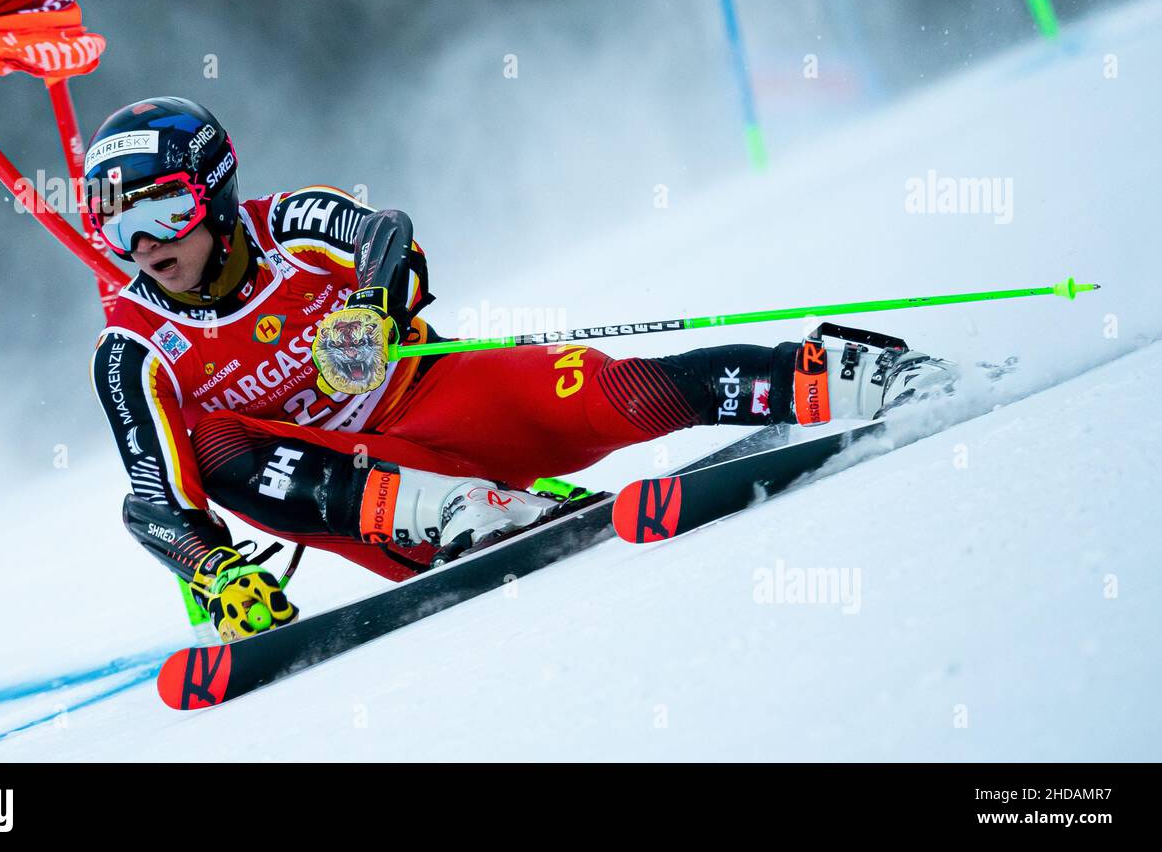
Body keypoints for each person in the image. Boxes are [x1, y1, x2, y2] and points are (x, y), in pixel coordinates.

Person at [87, 96, 955, 642]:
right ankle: (467, 512)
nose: (146, 245)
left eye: (164, 208)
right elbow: (154, 500)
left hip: (446, 397)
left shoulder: (291, 222)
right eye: (118, 225)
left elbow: (387, 234)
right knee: (206, 446)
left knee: (624, 394)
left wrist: (372, 308)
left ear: (219, 193)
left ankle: (842, 373)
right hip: (369, 492)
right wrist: (214, 571)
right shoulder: (131, 346)